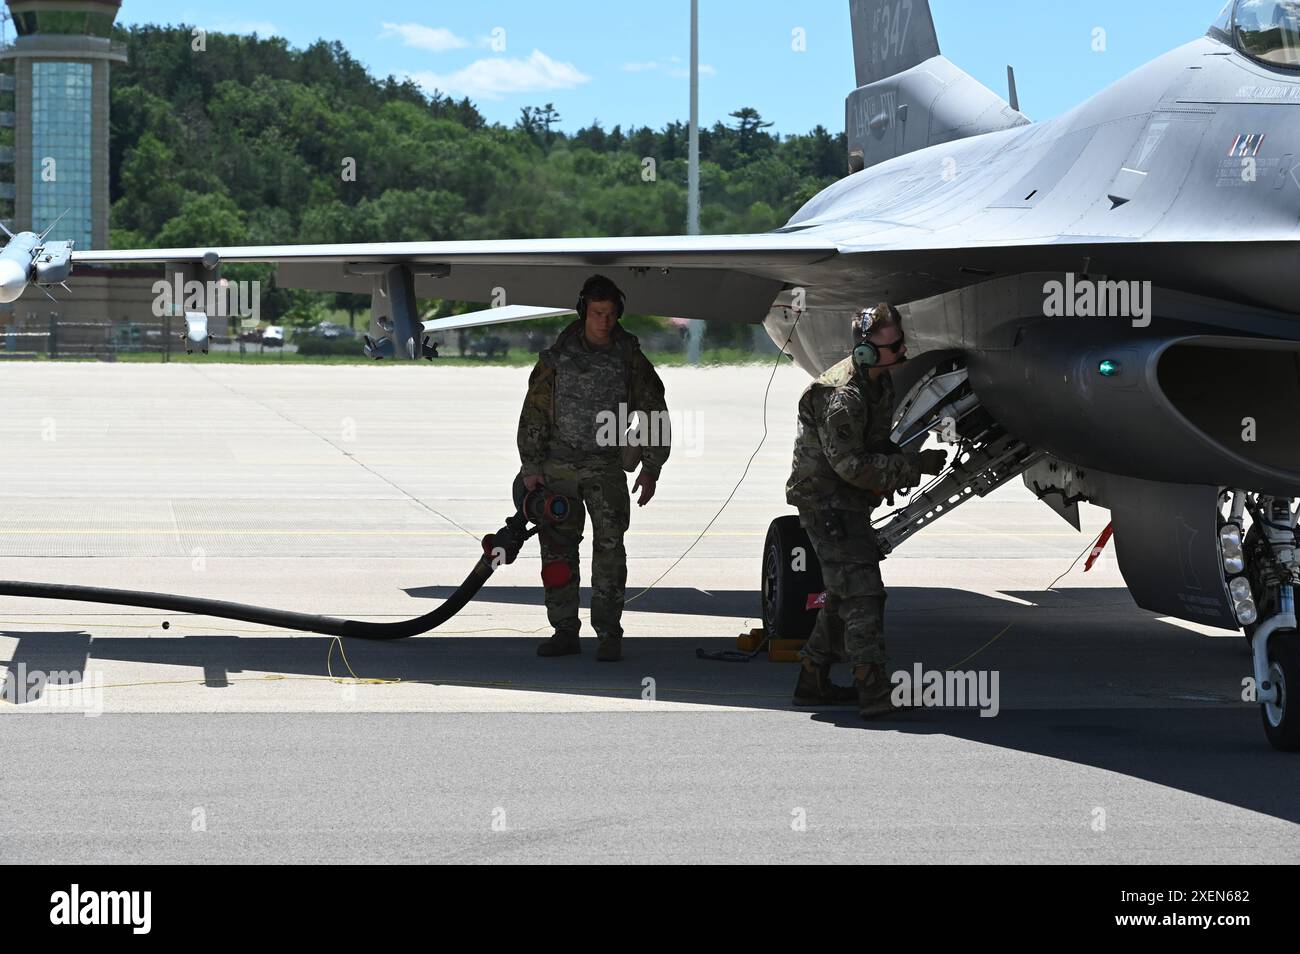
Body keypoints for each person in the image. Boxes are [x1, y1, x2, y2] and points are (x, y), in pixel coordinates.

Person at [785, 303, 947, 717]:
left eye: (900, 343)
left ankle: (813, 679)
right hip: (825, 502)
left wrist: (892, 469)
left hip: (845, 500)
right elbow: (850, 465)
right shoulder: (844, 395)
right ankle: (873, 690)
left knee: (842, 593)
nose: (901, 351)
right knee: (864, 594)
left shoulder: (880, 383)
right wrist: (912, 466)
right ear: (865, 351)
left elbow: (872, 448)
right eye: (891, 346)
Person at [517, 274, 670, 661]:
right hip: (559, 466)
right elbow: (535, 411)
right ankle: (564, 630)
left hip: (605, 468)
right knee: (557, 551)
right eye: (597, 312)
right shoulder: (556, 359)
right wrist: (531, 464)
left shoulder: (630, 360)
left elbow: (654, 410)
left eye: (611, 314)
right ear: (584, 310)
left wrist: (651, 466)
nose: (604, 321)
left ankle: (608, 634)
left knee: (610, 551)